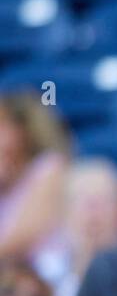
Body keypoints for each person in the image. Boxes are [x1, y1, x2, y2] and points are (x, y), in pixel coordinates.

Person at [0, 92, 70, 268]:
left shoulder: (48, 167)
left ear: (21, 131)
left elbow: (25, 236)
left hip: (44, 272)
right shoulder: (6, 178)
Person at [44, 158, 117, 296]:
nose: (94, 212)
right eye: (81, 200)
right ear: (63, 211)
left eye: (105, 200)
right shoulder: (46, 272)